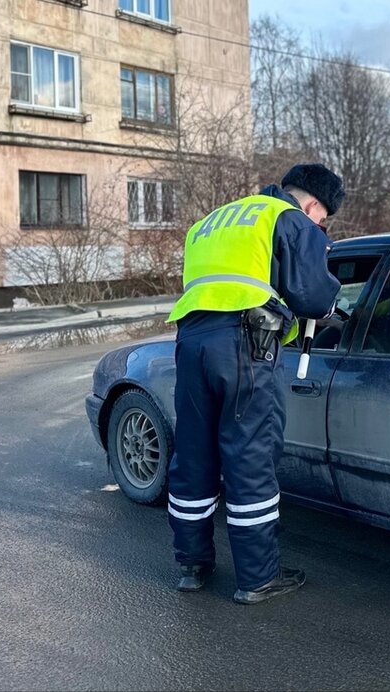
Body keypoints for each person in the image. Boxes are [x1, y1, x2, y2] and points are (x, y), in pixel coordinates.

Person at [164, 163, 343, 604]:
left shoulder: (212, 222)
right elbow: (315, 298)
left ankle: (191, 565)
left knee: (194, 454)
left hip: (191, 342)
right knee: (249, 456)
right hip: (245, 348)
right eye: (324, 218)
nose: (320, 225)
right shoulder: (289, 219)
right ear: (314, 203)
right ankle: (258, 578)